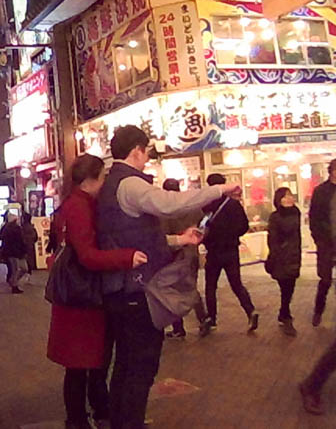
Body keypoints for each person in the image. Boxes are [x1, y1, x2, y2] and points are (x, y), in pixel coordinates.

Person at [97, 125, 235, 429]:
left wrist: (178, 240)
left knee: (126, 364)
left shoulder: (112, 183)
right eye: (146, 151)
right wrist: (219, 190)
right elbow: (171, 204)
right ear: (137, 150)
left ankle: (120, 422)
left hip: (119, 287)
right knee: (140, 367)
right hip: (137, 290)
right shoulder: (130, 183)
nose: (147, 157)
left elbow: (133, 236)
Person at [48, 154, 147, 429]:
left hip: (81, 294)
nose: (105, 182)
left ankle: (96, 412)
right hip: (81, 296)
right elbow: (88, 255)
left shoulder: (77, 202)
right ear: (90, 180)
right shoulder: (79, 206)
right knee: (80, 364)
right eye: (102, 177)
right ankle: (78, 419)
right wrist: (126, 257)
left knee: (88, 362)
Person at [202, 173, 258, 333]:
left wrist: (210, 238)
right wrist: (232, 235)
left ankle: (211, 318)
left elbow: (202, 227)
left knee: (210, 286)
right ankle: (250, 311)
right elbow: (244, 226)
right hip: (231, 250)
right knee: (236, 284)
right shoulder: (234, 204)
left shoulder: (206, 205)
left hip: (214, 251)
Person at [160, 179, 211, 339]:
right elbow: (205, 224)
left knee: (174, 290)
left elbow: (164, 234)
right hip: (192, 253)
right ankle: (202, 318)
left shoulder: (166, 210)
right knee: (190, 287)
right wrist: (199, 236)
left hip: (176, 255)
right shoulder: (191, 206)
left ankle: (180, 326)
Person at [266, 187, 301, 336]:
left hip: (294, 255)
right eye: (285, 197)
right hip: (281, 256)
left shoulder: (296, 213)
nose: (289, 199)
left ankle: (284, 312)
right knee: (285, 286)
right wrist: (275, 255)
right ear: (278, 200)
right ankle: (285, 314)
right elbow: (272, 239)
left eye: (290, 195)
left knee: (290, 287)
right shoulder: (276, 217)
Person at [309, 159, 336, 326]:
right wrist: (318, 238)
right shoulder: (321, 191)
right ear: (331, 171)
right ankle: (318, 310)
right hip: (326, 242)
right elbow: (314, 217)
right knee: (325, 280)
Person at [0, 212, 28, 294]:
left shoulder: (5, 228)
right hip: (16, 252)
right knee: (18, 269)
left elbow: (1, 238)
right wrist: (24, 249)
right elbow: (21, 241)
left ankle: (13, 282)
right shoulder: (16, 229)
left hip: (10, 252)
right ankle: (14, 285)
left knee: (15, 269)